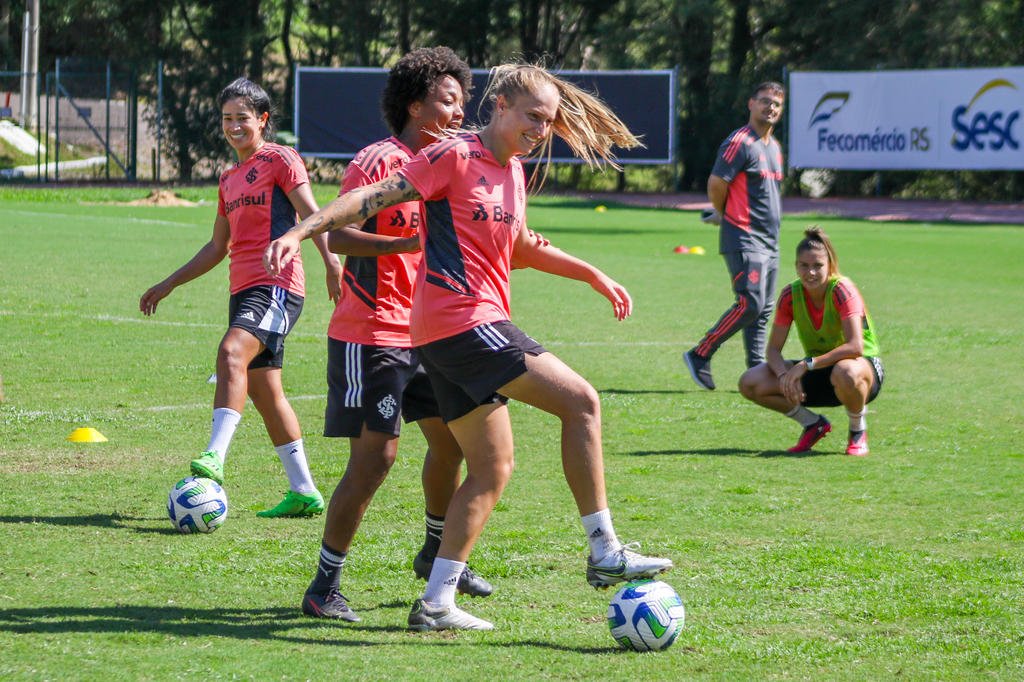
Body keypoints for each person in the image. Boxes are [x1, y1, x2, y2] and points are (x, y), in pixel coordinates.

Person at [265, 63, 672, 631]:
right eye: (532, 116)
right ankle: (604, 551)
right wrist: (297, 232)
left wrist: (593, 275)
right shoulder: (451, 156)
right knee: (581, 401)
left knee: (490, 466)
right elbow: (367, 199)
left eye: (548, 122)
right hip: (460, 323)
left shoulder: (513, 175)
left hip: (446, 334)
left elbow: (520, 247)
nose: (540, 129)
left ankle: (436, 601)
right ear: (500, 105)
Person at [300, 47, 494, 623]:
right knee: (376, 459)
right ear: (415, 105)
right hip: (371, 332)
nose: (460, 113)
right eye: (448, 101)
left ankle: (437, 549)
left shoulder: (448, 166)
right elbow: (339, 236)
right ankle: (323, 584)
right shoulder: (378, 160)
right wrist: (401, 246)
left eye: (462, 102)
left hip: (428, 334)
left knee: (454, 444)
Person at [140, 77, 343, 517]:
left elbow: (314, 215)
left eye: (243, 118)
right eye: (227, 118)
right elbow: (218, 247)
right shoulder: (229, 177)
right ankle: (304, 490)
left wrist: (331, 262)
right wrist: (169, 282)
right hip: (243, 290)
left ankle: (214, 455)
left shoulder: (279, 159)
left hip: (277, 285)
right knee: (267, 393)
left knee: (232, 352)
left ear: (263, 120)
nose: (234, 126)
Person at [738, 227, 884, 455]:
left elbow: (855, 346)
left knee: (845, 371)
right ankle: (812, 424)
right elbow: (773, 351)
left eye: (818, 266)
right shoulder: (790, 295)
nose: (811, 273)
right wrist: (784, 377)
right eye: (804, 266)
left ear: (830, 266)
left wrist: (805, 365)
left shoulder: (842, 290)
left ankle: (857, 430)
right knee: (750, 381)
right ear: (796, 266)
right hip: (821, 370)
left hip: (859, 370)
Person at [684, 81, 786, 391]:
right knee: (750, 303)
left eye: (777, 105)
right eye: (765, 101)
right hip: (744, 236)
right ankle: (701, 353)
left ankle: (755, 369)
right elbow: (717, 182)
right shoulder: (739, 142)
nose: (771, 108)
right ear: (751, 104)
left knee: (763, 309)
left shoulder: (775, 147)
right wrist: (723, 212)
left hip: (770, 241)